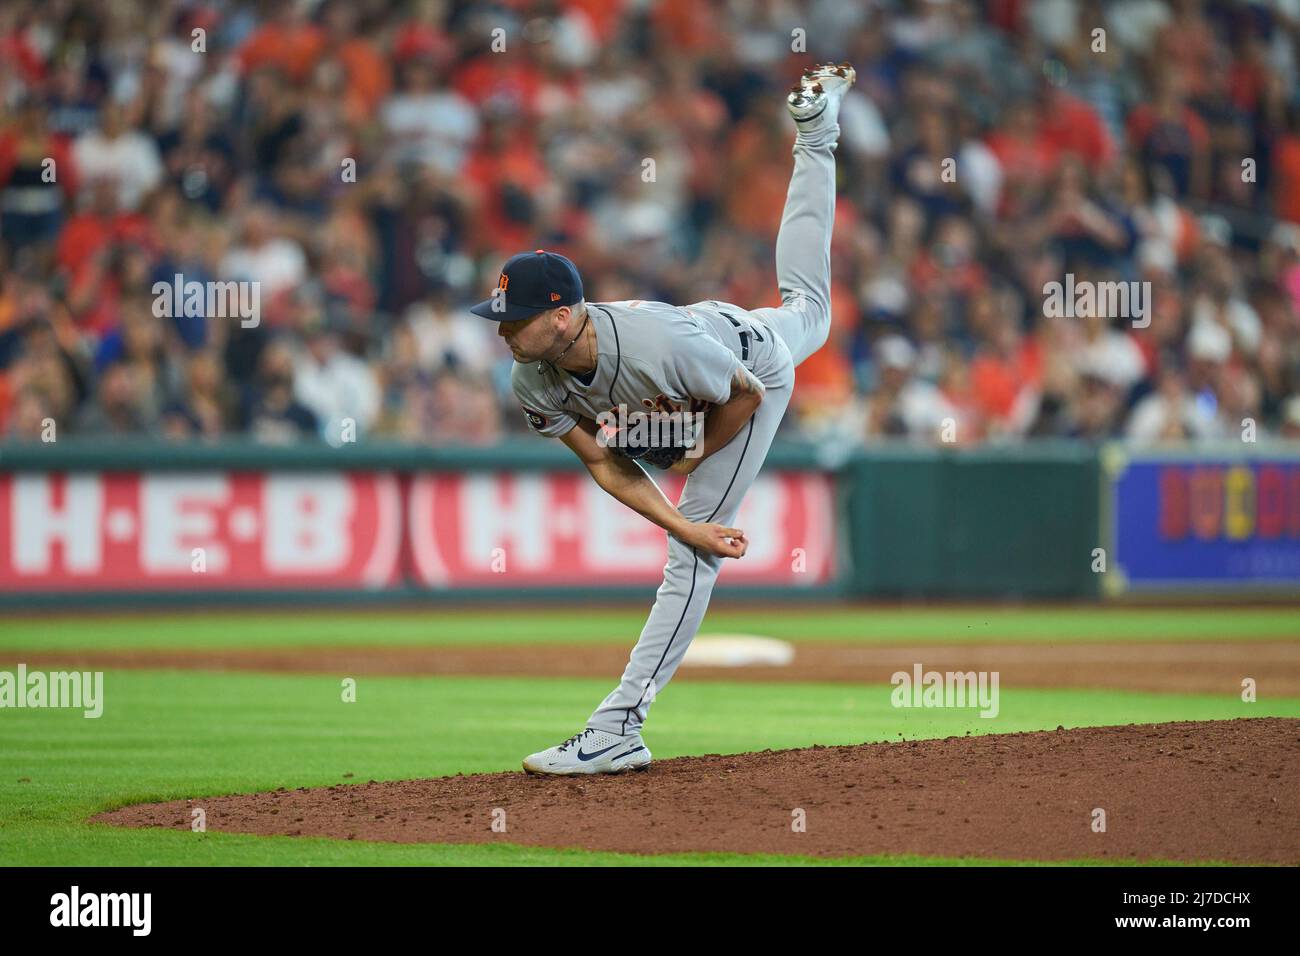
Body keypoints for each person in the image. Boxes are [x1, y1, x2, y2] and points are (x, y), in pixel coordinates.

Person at [468, 64, 855, 774]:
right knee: (812, 308)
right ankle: (819, 134)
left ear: (560, 316)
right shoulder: (531, 375)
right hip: (705, 342)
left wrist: (693, 460)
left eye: (514, 320)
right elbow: (603, 462)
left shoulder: (652, 347)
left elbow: (745, 395)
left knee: (693, 559)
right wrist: (680, 509)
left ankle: (619, 727)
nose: (502, 332)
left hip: (743, 364)